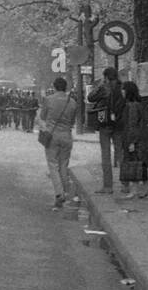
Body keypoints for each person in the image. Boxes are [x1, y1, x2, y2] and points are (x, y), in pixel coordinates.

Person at [39, 76, 78, 209]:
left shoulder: (49, 100)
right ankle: (66, 193)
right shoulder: (72, 102)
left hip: (52, 136)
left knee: (53, 165)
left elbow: (43, 117)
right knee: (63, 165)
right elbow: (73, 121)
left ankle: (59, 193)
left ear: (54, 87)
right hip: (67, 135)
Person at [87, 66, 126, 195]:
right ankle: (125, 185)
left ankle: (108, 186)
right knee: (121, 154)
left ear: (105, 77)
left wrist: (99, 86)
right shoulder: (122, 88)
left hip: (105, 124)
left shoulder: (104, 88)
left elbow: (90, 97)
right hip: (119, 124)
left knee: (106, 155)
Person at [117, 81, 148, 199]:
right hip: (140, 138)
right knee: (141, 164)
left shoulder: (130, 106)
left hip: (132, 139)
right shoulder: (139, 105)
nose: (122, 91)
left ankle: (134, 190)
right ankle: (145, 188)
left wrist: (131, 141)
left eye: (123, 89)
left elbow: (132, 124)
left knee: (132, 164)